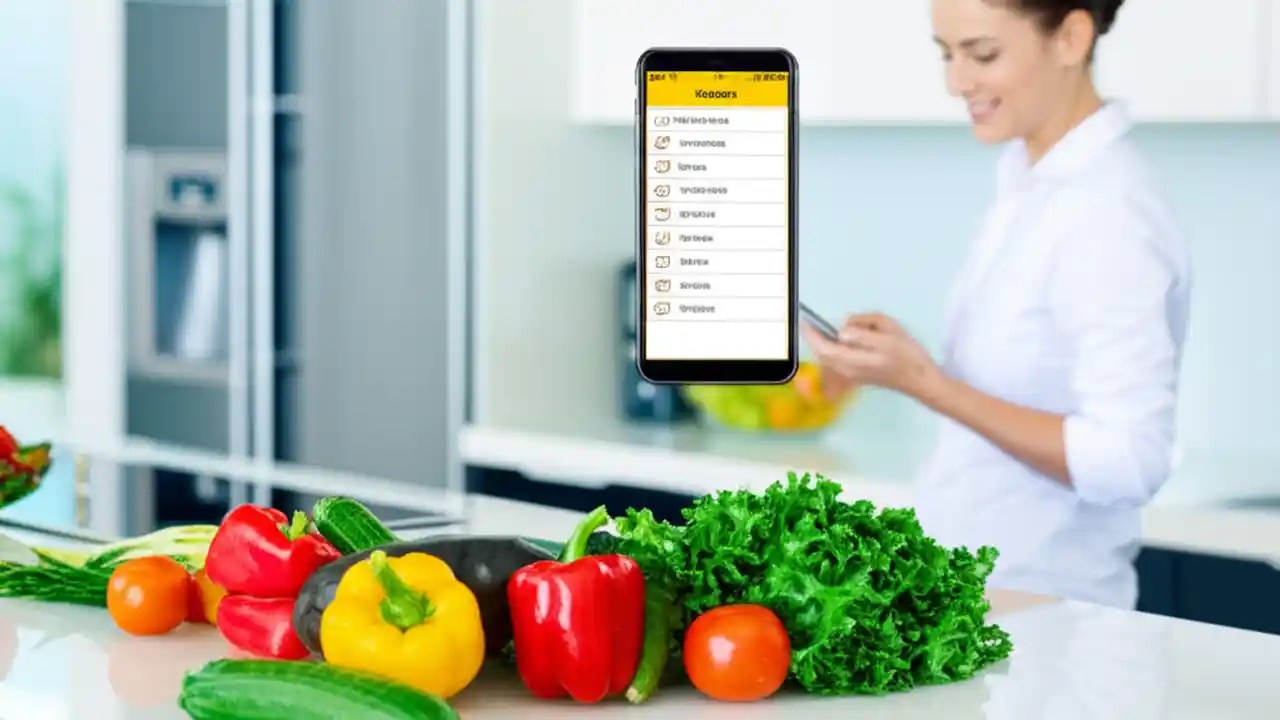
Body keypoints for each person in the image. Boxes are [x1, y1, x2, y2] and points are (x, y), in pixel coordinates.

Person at [801, 0, 1191, 610]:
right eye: (946, 53)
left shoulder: (1108, 211)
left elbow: (1129, 460)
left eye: (983, 54)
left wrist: (925, 383)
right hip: (984, 599)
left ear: (1071, 37)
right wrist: (893, 365)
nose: (957, 82)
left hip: (1051, 616)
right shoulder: (1028, 177)